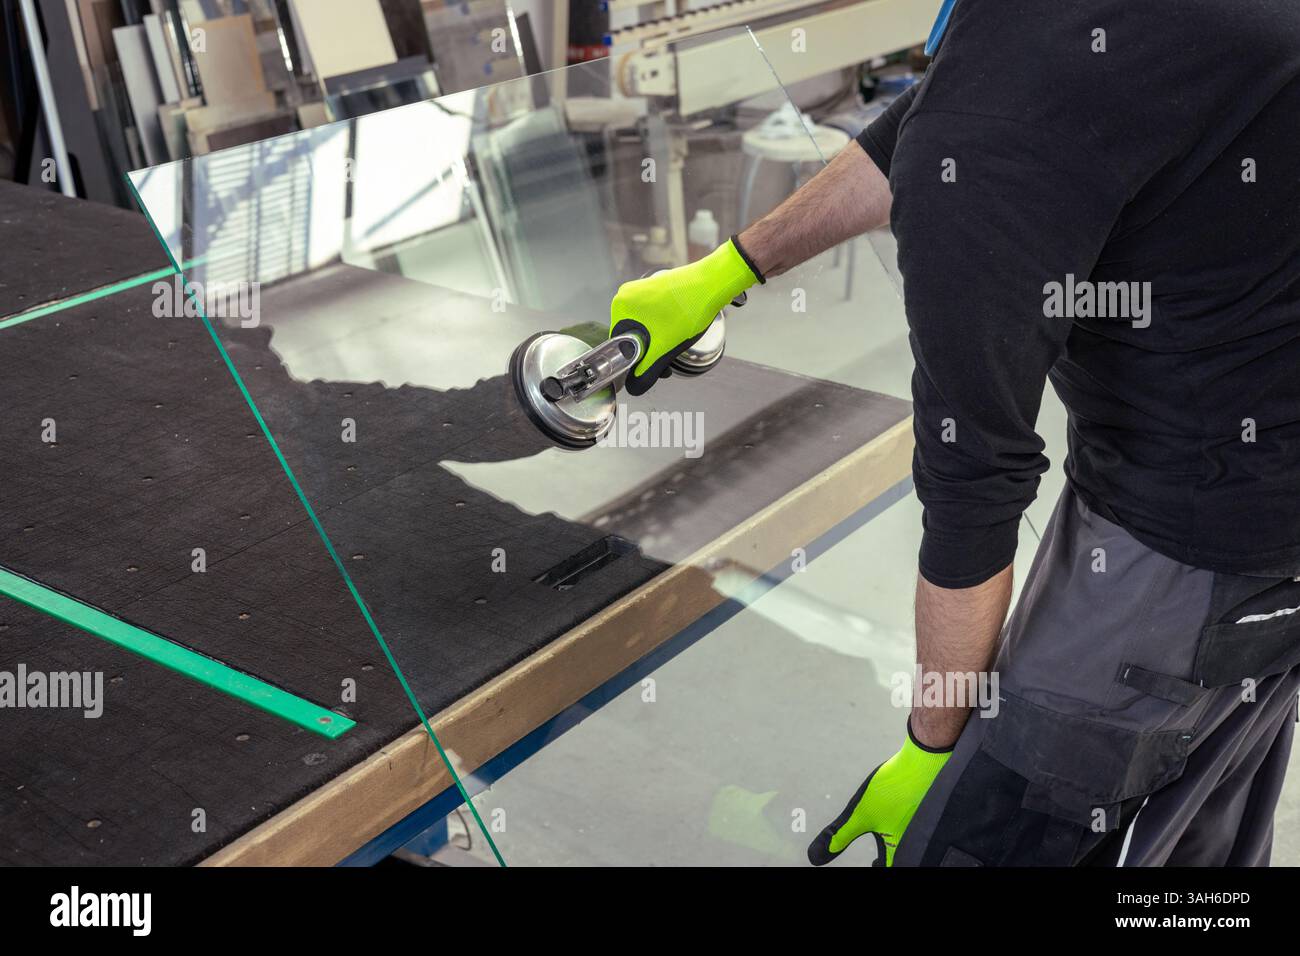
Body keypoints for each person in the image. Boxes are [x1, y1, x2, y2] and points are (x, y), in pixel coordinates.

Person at [609, 0, 1300, 866]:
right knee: (1198, 819)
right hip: (1262, 498)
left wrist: (933, 752)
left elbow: (975, 484)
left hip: (1192, 540)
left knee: (999, 832)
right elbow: (947, 116)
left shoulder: (989, 130)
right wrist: (736, 265)